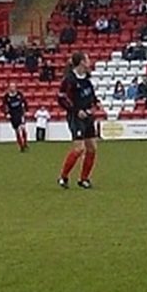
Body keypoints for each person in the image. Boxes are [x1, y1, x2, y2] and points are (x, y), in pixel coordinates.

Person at [57, 51, 99, 189]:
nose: (89, 62)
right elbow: (61, 98)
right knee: (79, 148)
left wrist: (94, 105)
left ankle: (84, 179)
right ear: (81, 62)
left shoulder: (86, 78)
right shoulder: (69, 80)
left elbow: (91, 95)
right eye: (87, 59)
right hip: (76, 118)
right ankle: (63, 177)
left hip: (88, 116)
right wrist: (76, 111)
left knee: (92, 147)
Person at [2, 82, 29, 152]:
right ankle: (21, 146)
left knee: (23, 128)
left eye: (13, 86)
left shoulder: (19, 94)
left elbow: (24, 102)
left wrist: (26, 110)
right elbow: (4, 106)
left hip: (20, 113)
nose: (12, 88)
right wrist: (7, 113)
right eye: (11, 87)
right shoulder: (7, 96)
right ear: (9, 88)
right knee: (17, 130)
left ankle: (25, 142)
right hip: (13, 115)